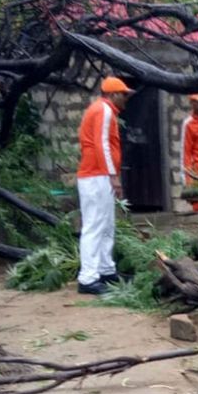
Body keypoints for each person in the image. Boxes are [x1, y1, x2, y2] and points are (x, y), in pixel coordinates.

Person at [75, 76, 133, 295]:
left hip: (99, 175)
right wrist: (113, 176)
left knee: (107, 225)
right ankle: (88, 278)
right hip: (96, 175)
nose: (126, 98)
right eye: (124, 94)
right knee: (95, 226)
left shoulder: (102, 109)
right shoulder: (104, 110)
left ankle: (106, 270)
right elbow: (102, 144)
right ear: (113, 94)